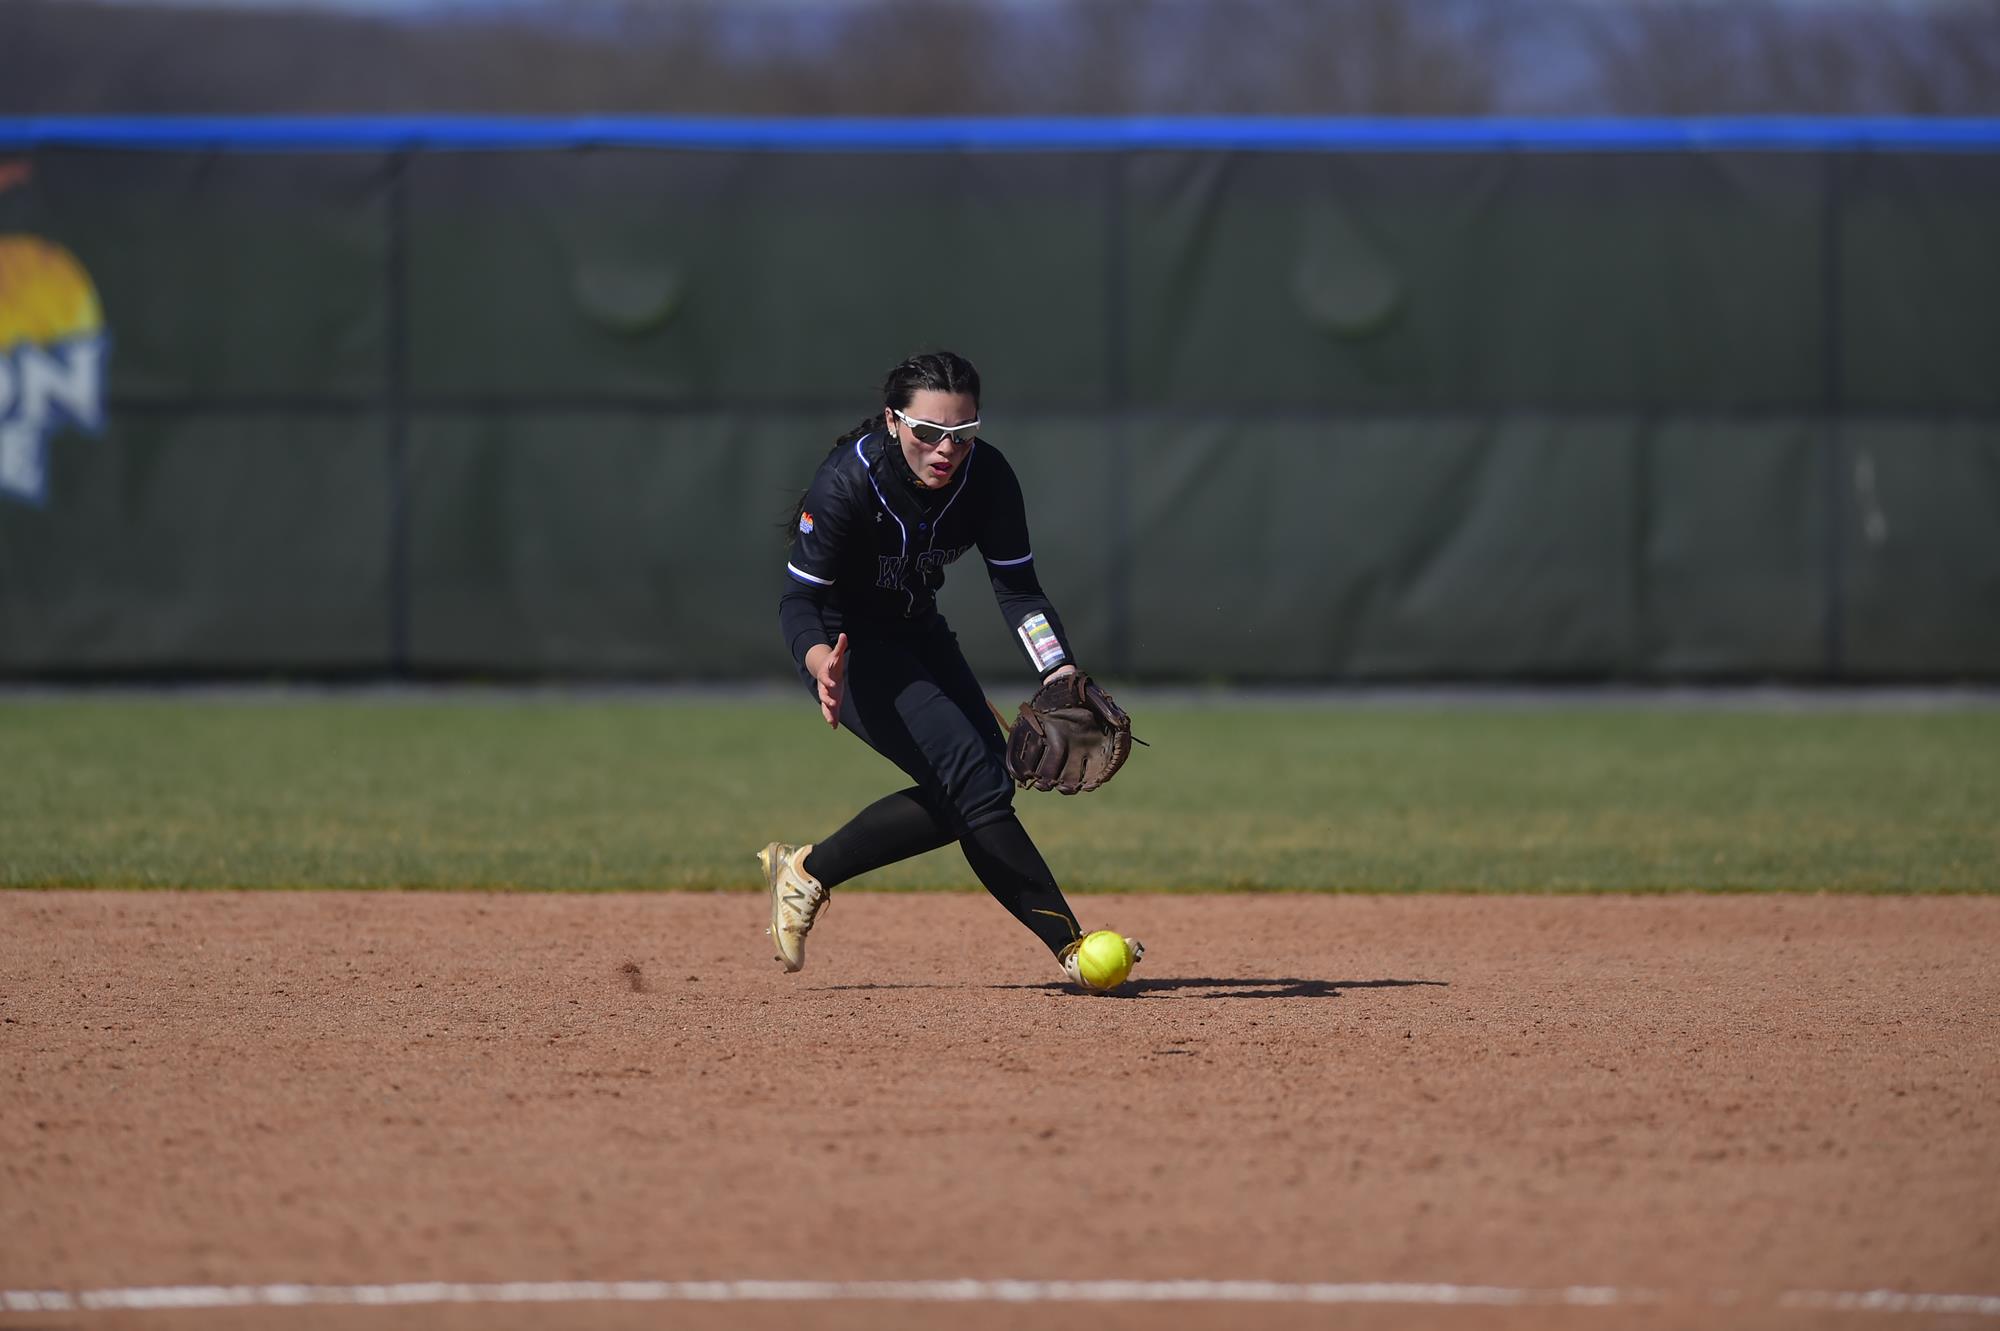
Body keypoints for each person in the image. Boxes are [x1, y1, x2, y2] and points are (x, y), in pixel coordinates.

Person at [760, 350, 1142, 988]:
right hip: (844, 647)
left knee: (983, 782)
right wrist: (818, 658)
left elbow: (1019, 590)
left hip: (918, 631)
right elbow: (799, 598)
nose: (946, 449)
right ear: (892, 422)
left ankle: (807, 871)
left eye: (962, 434)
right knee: (977, 782)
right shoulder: (846, 482)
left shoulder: (987, 478)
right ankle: (1071, 947)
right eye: (928, 432)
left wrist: (1058, 672)